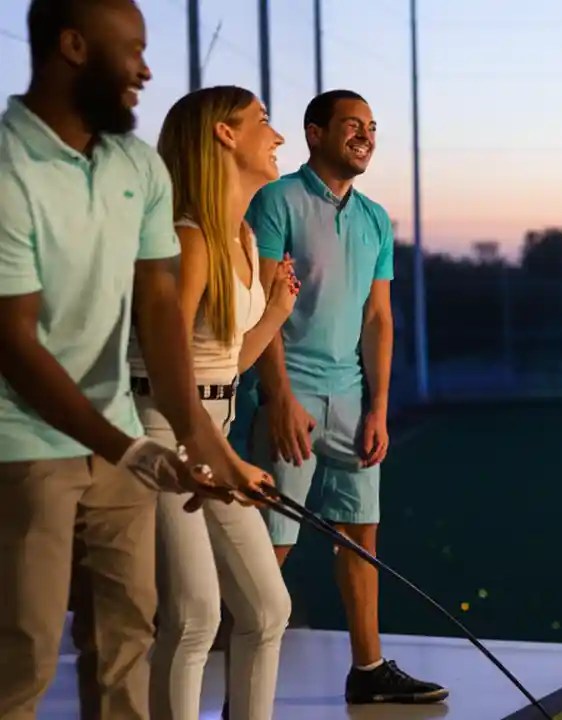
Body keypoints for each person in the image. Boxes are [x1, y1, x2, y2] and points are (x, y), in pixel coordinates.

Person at [0, 2, 271, 719]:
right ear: (73, 47)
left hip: (121, 439)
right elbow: (14, 341)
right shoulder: (4, 169)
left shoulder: (134, 164)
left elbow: (159, 313)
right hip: (24, 446)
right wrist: (130, 445)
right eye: (132, 52)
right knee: (22, 655)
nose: (147, 71)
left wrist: (205, 442)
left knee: (127, 646)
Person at [242, 89, 447, 705]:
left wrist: (380, 407)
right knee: (269, 547)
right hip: (292, 394)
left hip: (352, 399)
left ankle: (368, 670)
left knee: (361, 536)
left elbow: (378, 319)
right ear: (315, 133)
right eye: (352, 125)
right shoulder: (275, 201)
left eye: (372, 127)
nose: (366, 136)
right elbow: (261, 305)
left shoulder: (376, 218)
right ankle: (242, 692)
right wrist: (277, 397)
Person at [124, 84, 297, 720]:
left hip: (210, 434)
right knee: (195, 616)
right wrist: (212, 453)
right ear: (225, 134)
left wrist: (275, 309)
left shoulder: (246, 241)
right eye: (264, 122)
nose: (276, 137)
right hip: (161, 435)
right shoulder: (186, 238)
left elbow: (226, 366)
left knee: (267, 608)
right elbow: (169, 372)